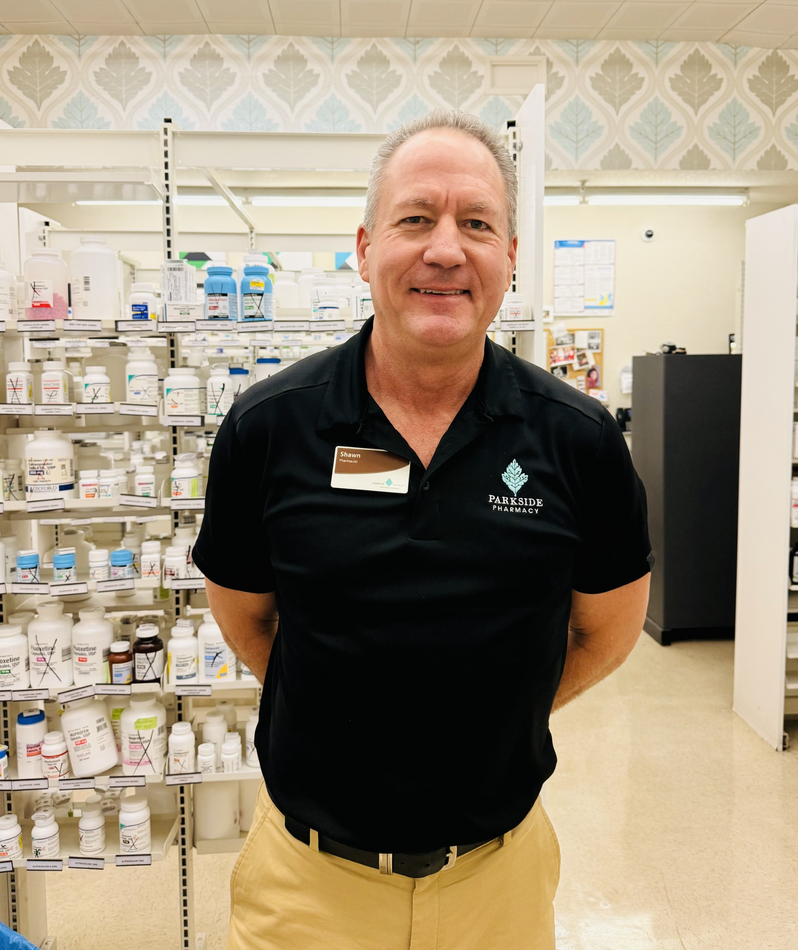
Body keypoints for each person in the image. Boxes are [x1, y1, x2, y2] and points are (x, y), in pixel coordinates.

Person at [193, 109, 652, 950]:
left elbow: (608, 630)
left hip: (497, 884)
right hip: (308, 887)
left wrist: (493, 715)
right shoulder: (270, 427)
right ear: (365, 248)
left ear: (511, 257)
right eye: (415, 218)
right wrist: (349, 708)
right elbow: (247, 618)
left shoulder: (577, 439)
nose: (446, 249)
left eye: (477, 223)